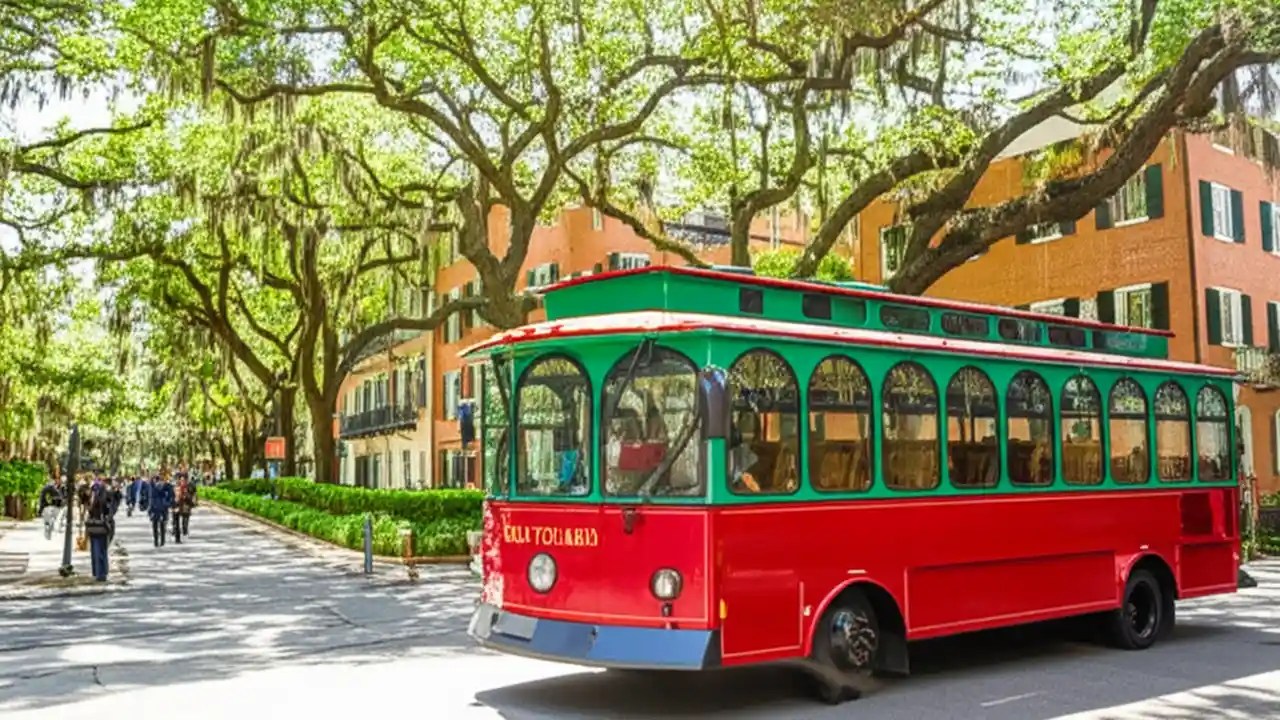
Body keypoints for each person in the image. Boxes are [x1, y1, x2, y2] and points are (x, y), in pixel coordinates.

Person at [85, 477, 111, 581]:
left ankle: (100, 572)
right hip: (98, 525)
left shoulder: (99, 494)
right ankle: (100, 572)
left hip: (97, 525)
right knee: (99, 549)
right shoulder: (97, 493)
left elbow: (104, 507)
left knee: (98, 549)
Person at [149, 474, 174, 547]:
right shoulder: (166, 487)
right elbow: (171, 497)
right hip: (162, 508)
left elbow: (151, 499)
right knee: (161, 525)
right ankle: (161, 541)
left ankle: (157, 541)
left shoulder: (154, 487)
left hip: (156, 508)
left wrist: (150, 510)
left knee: (156, 525)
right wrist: (168, 504)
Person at [37, 476, 65, 541]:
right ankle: (48, 528)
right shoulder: (50, 488)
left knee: (51, 519)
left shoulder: (61, 487)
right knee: (50, 518)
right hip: (52, 505)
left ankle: (48, 528)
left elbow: (42, 498)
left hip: (54, 506)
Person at [172, 474, 196, 542]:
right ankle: (176, 535)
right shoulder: (176, 486)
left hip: (186, 504)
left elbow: (193, 495)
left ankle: (184, 531)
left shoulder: (189, 486)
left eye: (183, 480)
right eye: (181, 479)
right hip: (177, 505)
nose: (182, 481)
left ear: (186, 480)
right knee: (175, 520)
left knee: (185, 520)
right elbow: (172, 496)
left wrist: (191, 500)